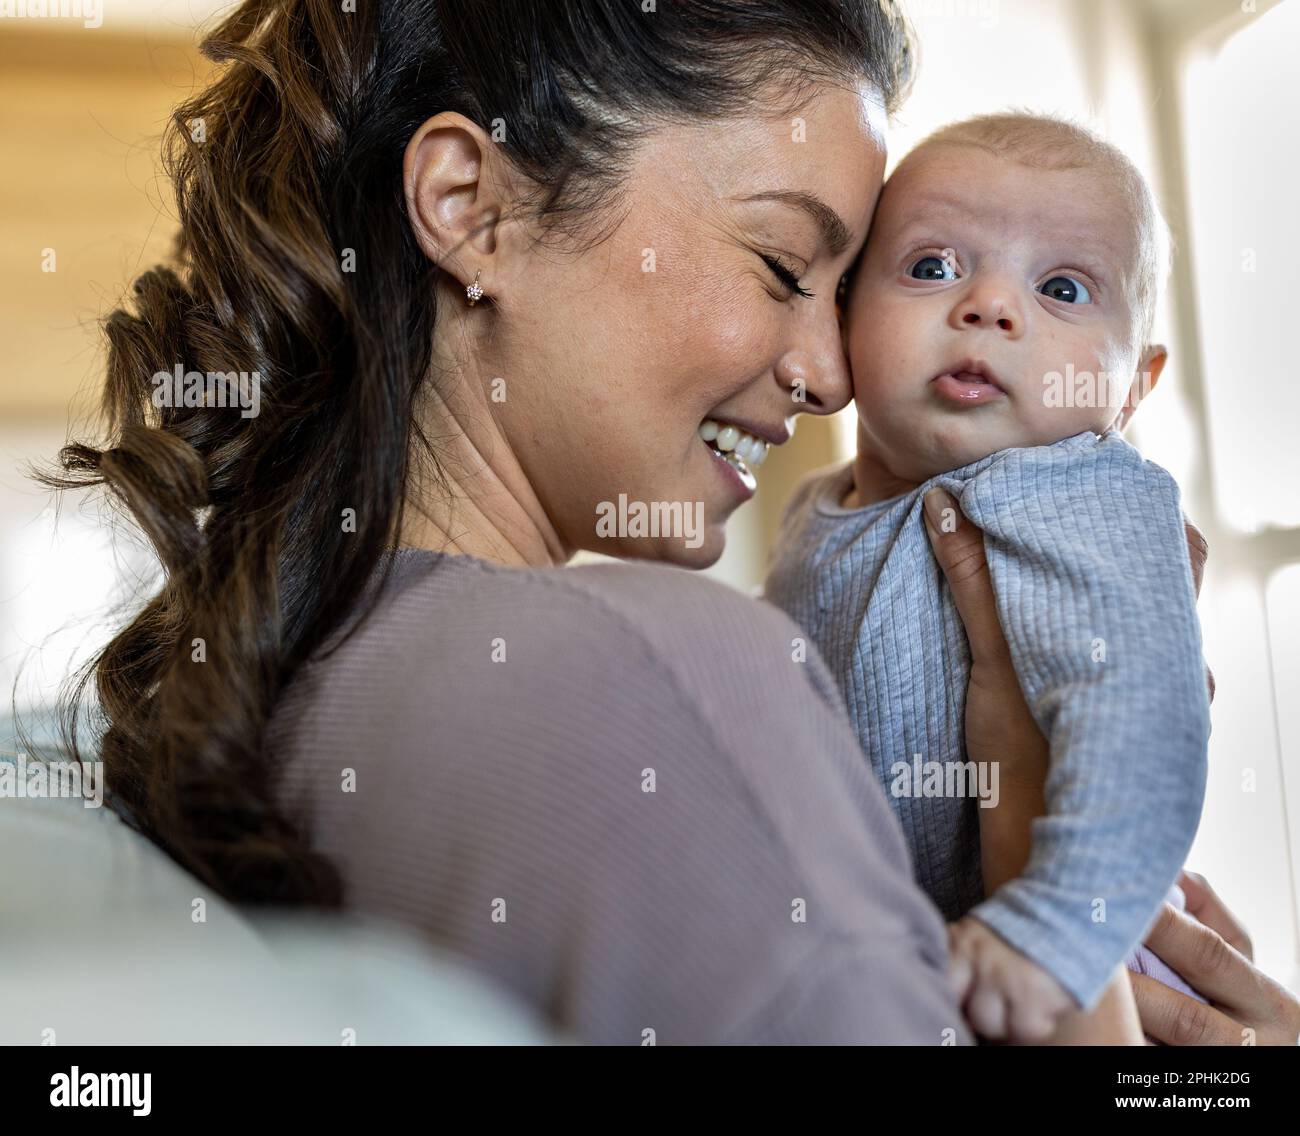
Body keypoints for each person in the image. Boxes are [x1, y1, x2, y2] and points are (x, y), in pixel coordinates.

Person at [42, 0, 1291, 1044]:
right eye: (780, 267)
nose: (832, 371)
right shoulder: (666, 684)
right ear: (471, 206)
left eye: (845, 289)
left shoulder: (282, 677)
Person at [765, 112, 1209, 1038]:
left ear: (1132, 388)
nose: (990, 307)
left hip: (1069, 950)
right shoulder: (811, 513)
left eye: (1061, 287)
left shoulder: (1085, 488)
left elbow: (1148, 725)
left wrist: (1054, 931)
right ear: (844, 314)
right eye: (933, 267)